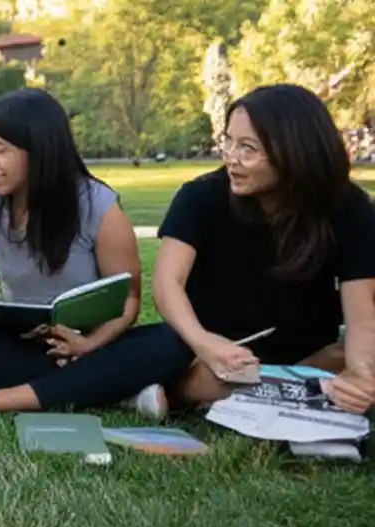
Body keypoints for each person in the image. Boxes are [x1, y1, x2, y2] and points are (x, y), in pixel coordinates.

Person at [0, 88, 191, 418]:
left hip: (90, 344)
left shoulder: (99, 208)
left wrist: (88, 345)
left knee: (173, 342)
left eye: (0, 148)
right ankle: (112, 392)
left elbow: (127, 301)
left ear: (38, 152)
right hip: (22, 344)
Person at [153, 84, 375, 414]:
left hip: (308, 352)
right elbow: (167, 282)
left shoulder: (348, 207)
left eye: (248, 148)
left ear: (293, 151)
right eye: (227, 141)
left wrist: (360, 376)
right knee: (215, 373)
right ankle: (189, 392)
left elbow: (361, 307)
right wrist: (204, 341)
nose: (231, 157)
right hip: (222, 351)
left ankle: (267, 393)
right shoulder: (201, 197)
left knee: (348, 358)